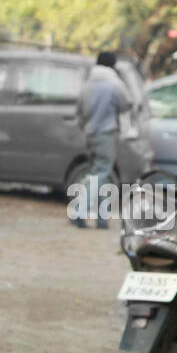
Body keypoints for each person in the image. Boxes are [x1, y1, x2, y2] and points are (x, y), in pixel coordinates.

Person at [73, 51, 131, 229]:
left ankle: (102, 218)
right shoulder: (114, 84)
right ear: (113, 65)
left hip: (90, 135)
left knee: (100, 175)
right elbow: (127, 103)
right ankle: (78, 210)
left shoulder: (87, 84)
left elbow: (79, 112)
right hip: (105, 134)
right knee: (100, 175)